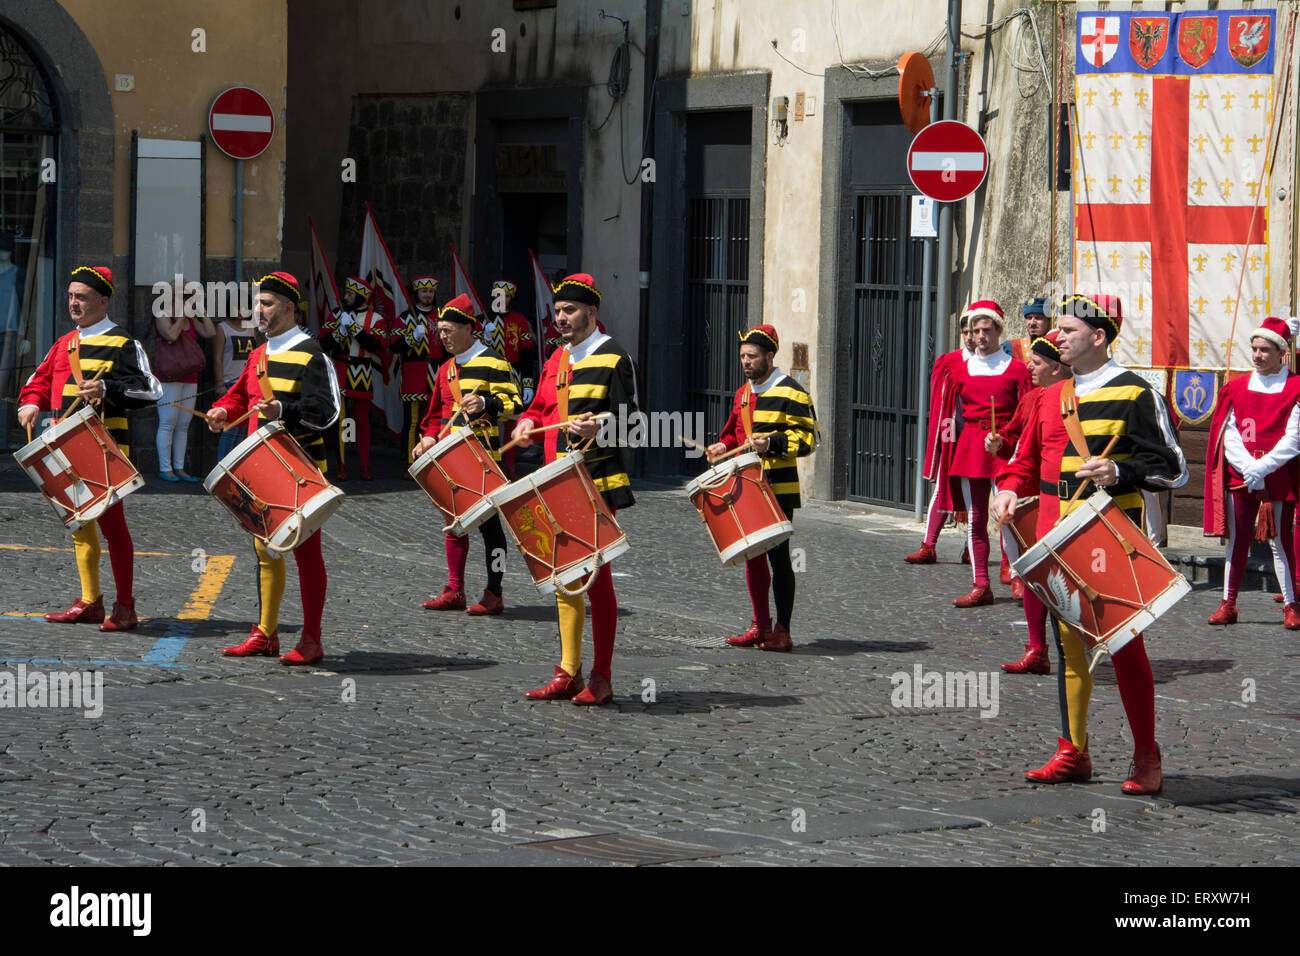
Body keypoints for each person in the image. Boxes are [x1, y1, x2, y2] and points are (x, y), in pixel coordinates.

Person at [993, 293, 1186, 795]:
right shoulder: (1054, 396)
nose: (1056, 338)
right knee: (1069, 648)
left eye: (1068, 330)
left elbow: (1174, 469)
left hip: (1111, 537)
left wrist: (1121, 470)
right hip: (1060, 536)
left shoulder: (1137, 392)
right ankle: (1072, 751)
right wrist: (1011, 489)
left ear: (1098, 337)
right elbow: (1026, 460)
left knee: (1123, 645)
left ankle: (1147, 755)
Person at [510, 273, 636, 705]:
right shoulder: (556, 359)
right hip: (553, 481)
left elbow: (632, 423)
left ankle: (601, 676)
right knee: (564, 576)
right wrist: (527, 421)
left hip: (595, 481)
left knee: (595, 580)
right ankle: (568, 671)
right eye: (558, 311)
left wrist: (598, 424)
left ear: (591, 313)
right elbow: (540, 406)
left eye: (570, 311)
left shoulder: (613, 355)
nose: (561, 318)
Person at [18, 266, 163, 630]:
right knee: (80, 527)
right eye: (70, 296)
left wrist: (107, 389)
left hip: (104, 448)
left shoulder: (123, 342)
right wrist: (30, 403)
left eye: (81, 297)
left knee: (114, 528)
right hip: (62, 450)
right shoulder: (64, 343)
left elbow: (150, 389)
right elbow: (38, 380)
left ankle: (125, 607)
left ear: (102, 300)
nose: (73, 303)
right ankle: (89, 601)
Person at [207, 272, 341, 665]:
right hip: (259, 467)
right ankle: (266, 634)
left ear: (288, 308)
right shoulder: (258, 354)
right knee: (264, 550)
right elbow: (240, 396)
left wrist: (284, 411)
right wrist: (223, 411)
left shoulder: (313, 354)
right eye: (257, 303)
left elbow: (327, 413)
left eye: (265, 304)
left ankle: (312, 638)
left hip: (299, 467)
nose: (258, 311)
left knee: (305, 553)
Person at [706, 325, 819, 651]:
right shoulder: (743, 394)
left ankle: (783, 630)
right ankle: (760, 625)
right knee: (753, 557)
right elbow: (734, 436)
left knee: (780, 559)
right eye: (742, 356)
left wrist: (771, 442)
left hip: (778, 488)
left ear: (770, 356)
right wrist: (720, 446)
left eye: (752, 357)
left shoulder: (792, 392)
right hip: (746, 486)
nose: (746, 362)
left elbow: (809, 440)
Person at [411, 293, 521, 615]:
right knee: (453, 524)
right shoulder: (444, 369)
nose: (442, 336)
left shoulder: (494, 362)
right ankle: (455, 589)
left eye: (448, 330)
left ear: (467, 329)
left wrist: (487, 404)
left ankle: (494, 592)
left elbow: (515, 406)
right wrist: (428, 438)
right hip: (449, 457)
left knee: (490, 529)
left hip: (483, 458)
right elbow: (434, 415)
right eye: (440, 330)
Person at [1203, 315, 1300, 629]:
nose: (1257, 355)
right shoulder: (1236, 387)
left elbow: (1294, 437)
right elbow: (1228, 434)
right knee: (1238, 540)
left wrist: (1262, 468)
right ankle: (1228, 603)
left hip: (1278, 475)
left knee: (1281, 542)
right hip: (1242, 476)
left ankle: (1290, 605)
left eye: (1265, 350)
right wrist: (1249, 469)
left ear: (1281, 353)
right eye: (1254, 348)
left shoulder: (1296, 388)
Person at [987, 329, 1071, 673]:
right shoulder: (1034, 399)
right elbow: (1020, 447)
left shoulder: (1086, 395)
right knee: (1036, 573)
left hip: (1081, 505)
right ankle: (1038, 649)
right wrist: (998, 444)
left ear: (1056, 366)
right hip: (1039, 501)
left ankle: (1080, 650)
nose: (1029, 368)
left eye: (1036, 363)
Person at [949, 300, 1030, 606]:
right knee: (976, 518)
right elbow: (951, 414)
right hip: (971, 445)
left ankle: (1020, 578)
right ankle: (980, 583)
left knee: (1007, 516)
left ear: (999, 329)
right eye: (974, 330)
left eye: (986, 329)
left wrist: (1011, 441)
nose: (980, 335)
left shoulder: (1018, 370)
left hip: (1004, 444)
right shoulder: (959, 369)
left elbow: (1025, 412)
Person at [906, 312, 973, 564]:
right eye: (965, 332)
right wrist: (945, 439)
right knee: (941, 489)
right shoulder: (949, 362)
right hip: (953, 435)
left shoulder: (994, 364)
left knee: (975, 495)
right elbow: (941, 404)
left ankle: (971, 548)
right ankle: (929, 545)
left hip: (978, 437)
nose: (969, 337)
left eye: (973, 332)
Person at [321, 277, 385, 480]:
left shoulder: (376, 319)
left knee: (362, 420)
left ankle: (364, 465)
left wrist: (355, 330)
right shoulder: (336, 314)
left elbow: (376, 346)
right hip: (340, 367)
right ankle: (342, 466)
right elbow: (322, 342)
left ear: (361, 296)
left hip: (362, 370)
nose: (345, 296)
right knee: (342, 421)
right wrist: (340, 331)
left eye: (350, 294)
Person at [154, 292, 216, 481]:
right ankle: (166, 468)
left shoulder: (190, 318)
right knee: (167, 422)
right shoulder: (162, 314)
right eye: (182, 296)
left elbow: (210, 333)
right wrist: (181, 316)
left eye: (188, 297)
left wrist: (202, 311)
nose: (185, 300)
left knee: (183, 424)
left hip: (190, 376)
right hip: (168, 375)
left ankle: (180, 468)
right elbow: (171, 334)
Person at [390, 275, 443, 457]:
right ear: (416, 293)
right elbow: (394, 345)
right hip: (413, 372)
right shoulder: (405, 317)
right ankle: (411, 462)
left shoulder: (441, 315)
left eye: (430, 291)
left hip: (437, 373)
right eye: (424, 291)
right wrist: (411, 338)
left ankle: (431, 459)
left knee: (433, 419)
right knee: (412, 421)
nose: (428, 295)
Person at [213, 305, 260, 462]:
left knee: (243, 431)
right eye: (237, 306)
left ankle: (237, 469)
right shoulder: (223, 328)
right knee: (230, 430)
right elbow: (217, 358)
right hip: (229, 383)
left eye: (244, 307)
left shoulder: (250, 328)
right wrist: (219, 383)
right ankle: (222, 469)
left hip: (247, 384)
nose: (241, 310)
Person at [1007, 297, 1051, 364]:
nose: (1032, 323)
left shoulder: (1060, 348)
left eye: (1038, 318)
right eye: (1029, 318)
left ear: (1048, 320)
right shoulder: (1011, 348)